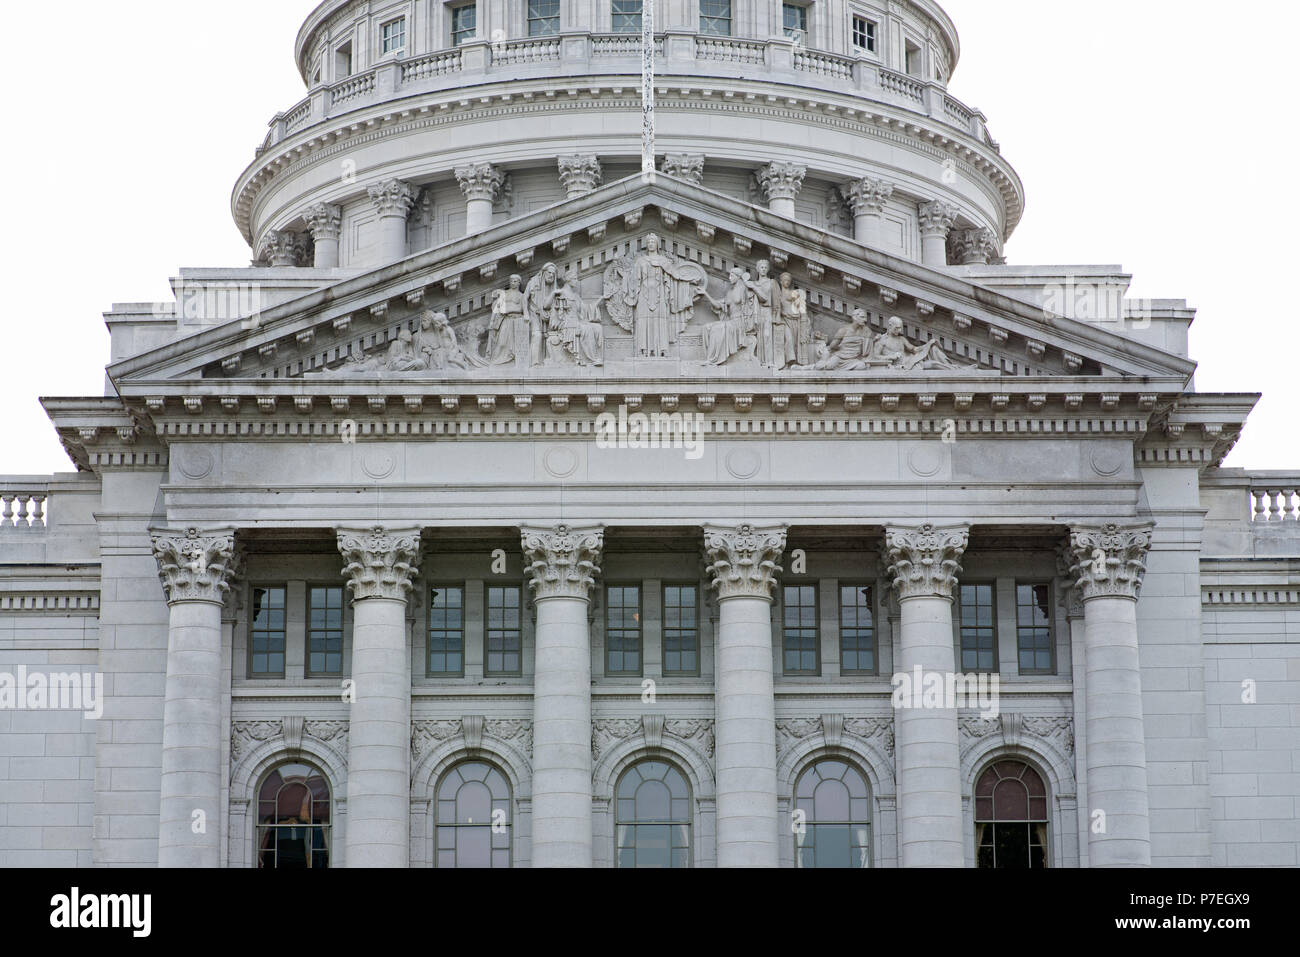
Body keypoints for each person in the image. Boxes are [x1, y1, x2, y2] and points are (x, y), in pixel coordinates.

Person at [702, 268, 757, 366]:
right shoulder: (729, 292)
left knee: (717, 329)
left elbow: (753, 301)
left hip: (739, 323)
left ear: (738, 277)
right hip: (731, 320)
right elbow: (718, 305)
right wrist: (705, 293)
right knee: (706, 327)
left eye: (732, 276)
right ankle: (708, 357)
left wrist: (747, 283)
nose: (729, 278)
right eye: (729, 275)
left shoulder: (744, 289)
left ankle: (713, 359)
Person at [870, 315, 967, 370]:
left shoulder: (901, 339)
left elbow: (914, 349)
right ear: (890, 325)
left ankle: (953, 367)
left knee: (933, 348)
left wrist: (928, 344)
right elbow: (875, 357)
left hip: (911, 360)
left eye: (900, 328)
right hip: (905, 365)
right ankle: (956, 370)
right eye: (897, 328)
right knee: (934, 365)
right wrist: (890, 357)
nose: (899, 331)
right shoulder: (882, 340)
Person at [486, 274, 525, 365]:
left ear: (519, 283)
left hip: (516, 321)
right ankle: (496, 361)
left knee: (514, 344)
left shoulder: (521, 296)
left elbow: (521, 309)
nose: (512, 283)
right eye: (511, 281)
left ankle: (510, 359)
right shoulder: (504, 294)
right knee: (501, 343)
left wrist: (508, 310)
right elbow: (496, 309)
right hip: (505, 321)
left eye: (515, 281)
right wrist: (491, 321)